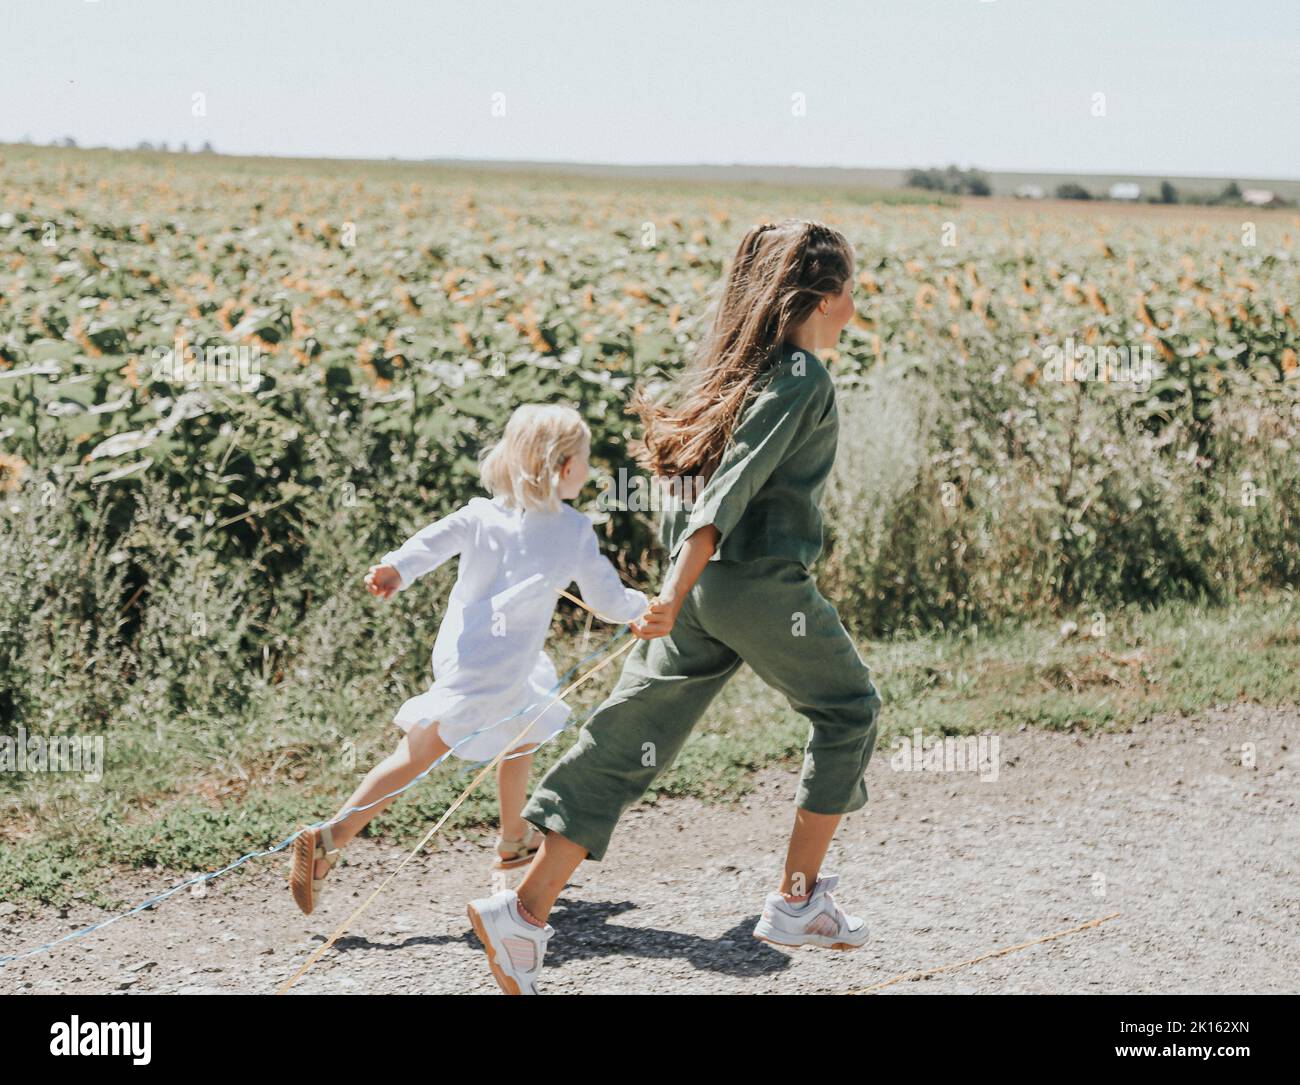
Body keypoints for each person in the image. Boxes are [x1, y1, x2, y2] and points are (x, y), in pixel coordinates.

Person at [467, 219, 884, 994]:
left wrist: (677, 592)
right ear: (822, 300)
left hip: (698, 593)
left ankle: (523, 911)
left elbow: (690, 497)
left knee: (629, 735)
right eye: (851, 291)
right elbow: (722, 501)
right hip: (754, 586)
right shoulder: (801, 378)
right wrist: (672, 590)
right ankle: (797, 902)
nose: (855, 307)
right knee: (850, 709)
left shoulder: (735, 370)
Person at [289, 404, 650, 914]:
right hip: (490, 671)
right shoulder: (571, 529)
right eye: (586, 460)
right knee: (416, 756)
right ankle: (330, 839)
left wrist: (396, 569)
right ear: (565, 467)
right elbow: (607, 600)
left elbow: (433, 541)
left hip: (472, 656)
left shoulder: (481, 514)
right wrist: (646, 611)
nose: (589, 471)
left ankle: (512, 840)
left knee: (524, 727)